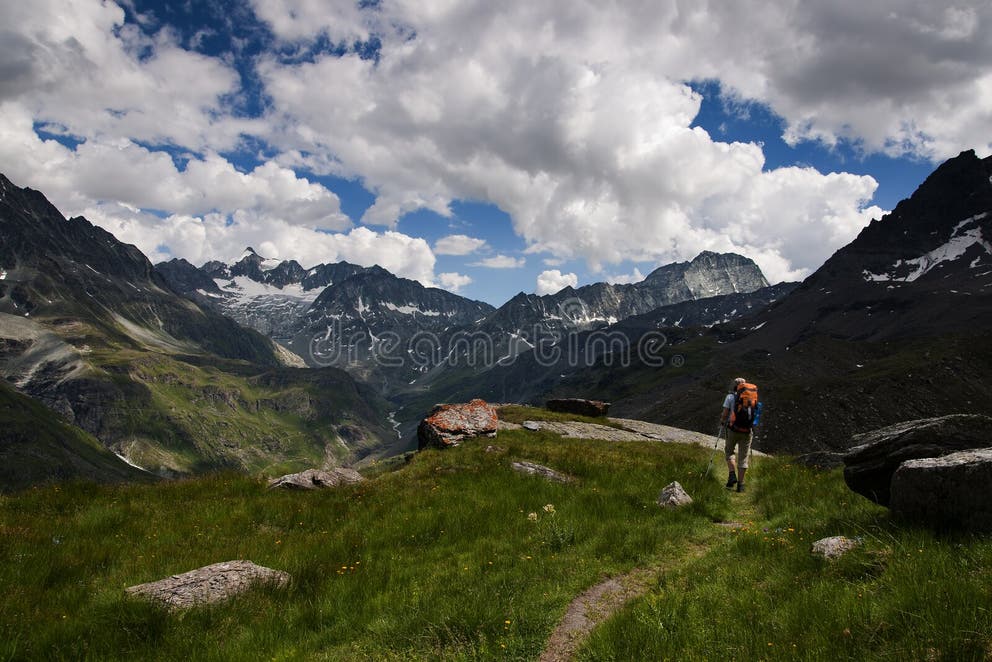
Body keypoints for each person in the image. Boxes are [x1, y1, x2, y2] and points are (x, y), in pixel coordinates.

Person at [720, 377, 752, 492]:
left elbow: (725, 413)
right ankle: (741, 485)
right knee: (743, 457)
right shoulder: (751, 397)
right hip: (747, 431)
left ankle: (732, 475)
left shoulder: (730, 397)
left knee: (729, 451)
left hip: (733, 429)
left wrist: (723, 422)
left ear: (734, 385)